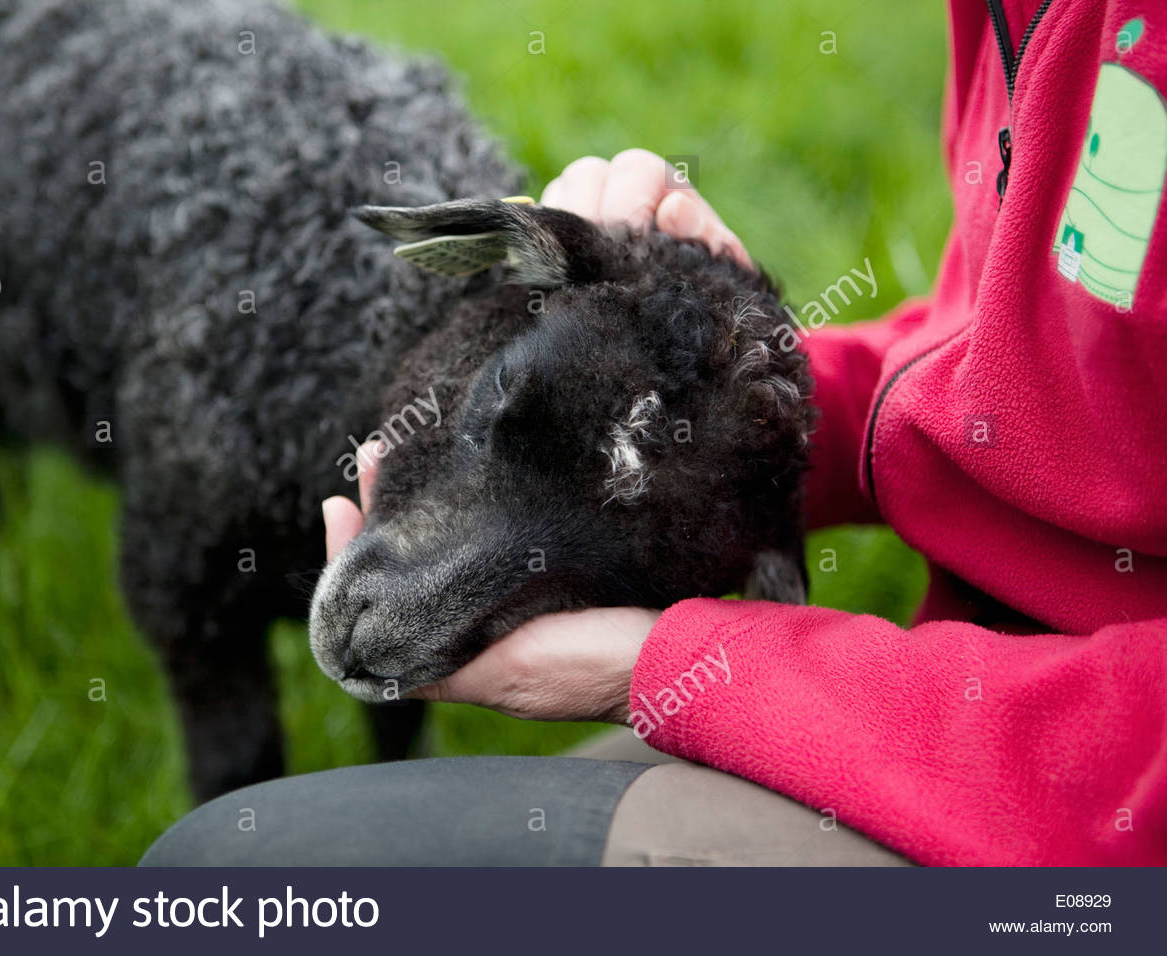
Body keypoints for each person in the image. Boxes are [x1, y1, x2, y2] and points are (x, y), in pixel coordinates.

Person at [143, 0, 1167, 866]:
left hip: (1073, 808)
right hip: (984, 696)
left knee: (230, 868)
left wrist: (687, 665)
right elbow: (1034, 345)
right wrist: (743, 408)